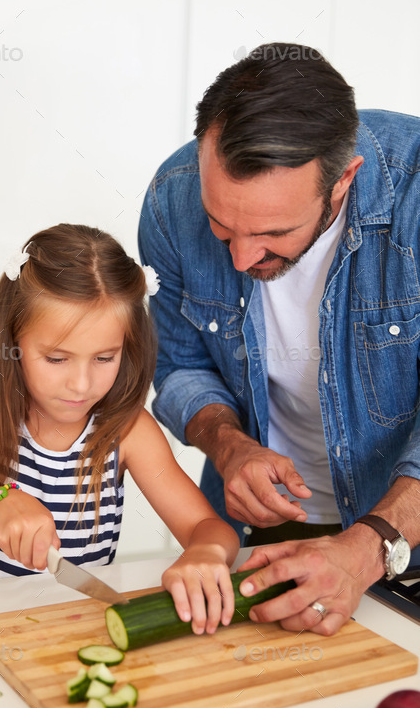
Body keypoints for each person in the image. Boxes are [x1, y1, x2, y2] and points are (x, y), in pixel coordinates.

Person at [138, 42, 420, 637]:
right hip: (258, 532)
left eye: (273, 233)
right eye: (221, 226)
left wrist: (373, 543)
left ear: (344, 179)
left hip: (402, 533)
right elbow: (180, 363)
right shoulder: (173, 195)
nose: (241, 258)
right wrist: (227, 443)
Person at [0, 223, 240, 635]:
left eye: (104, 358)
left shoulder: (127, 431)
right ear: (14, 340)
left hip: (62, 629)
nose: (80, 384)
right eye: (56, 359)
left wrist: (207, 551)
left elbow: (207, 527)